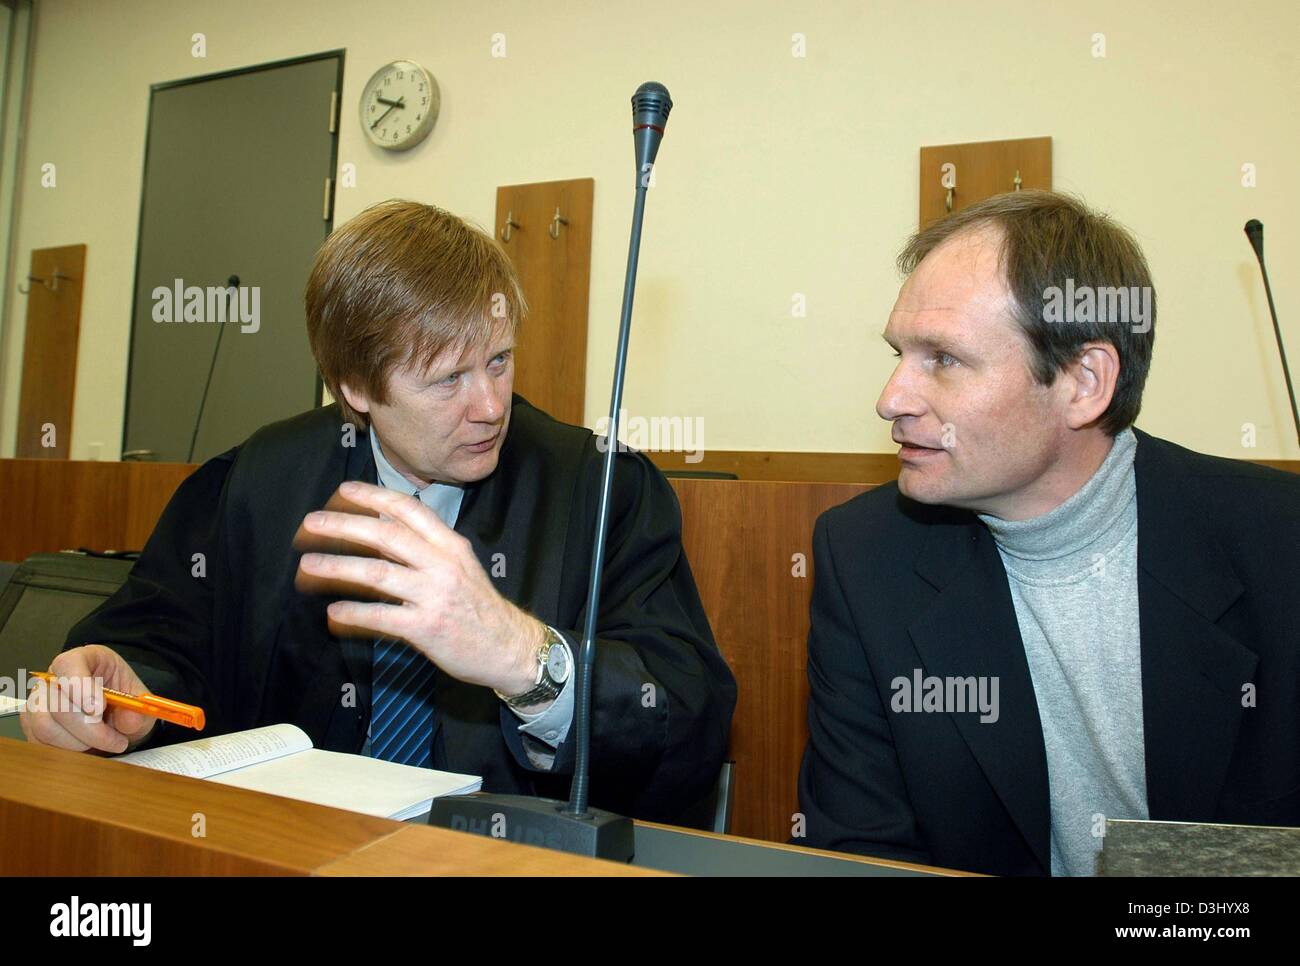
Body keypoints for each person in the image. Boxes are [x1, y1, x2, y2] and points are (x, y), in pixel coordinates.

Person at [22, 199, 736, 824]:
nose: (490, 407)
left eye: (499, 361)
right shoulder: (259, 480)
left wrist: (523, 655)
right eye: (448, 378)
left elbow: (688, 719)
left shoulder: (601, 491)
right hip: (285, 848)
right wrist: (126, 687)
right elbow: (170, 642)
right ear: (355, 387)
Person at [797, 190, 1300, 875]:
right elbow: (858, 851)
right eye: (900, 354)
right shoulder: (866, 556)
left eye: (942, 358)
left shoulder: (1278, 542)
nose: (891, 398)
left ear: (1084, 382)